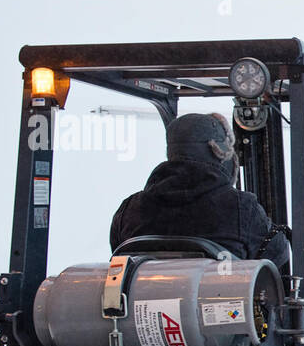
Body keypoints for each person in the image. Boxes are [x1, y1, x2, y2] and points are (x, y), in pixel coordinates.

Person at [109, 112, 290, 272]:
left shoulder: (129, 210)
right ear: (219, 152)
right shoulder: (240, 208)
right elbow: (278, 254)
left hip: (142, 310)